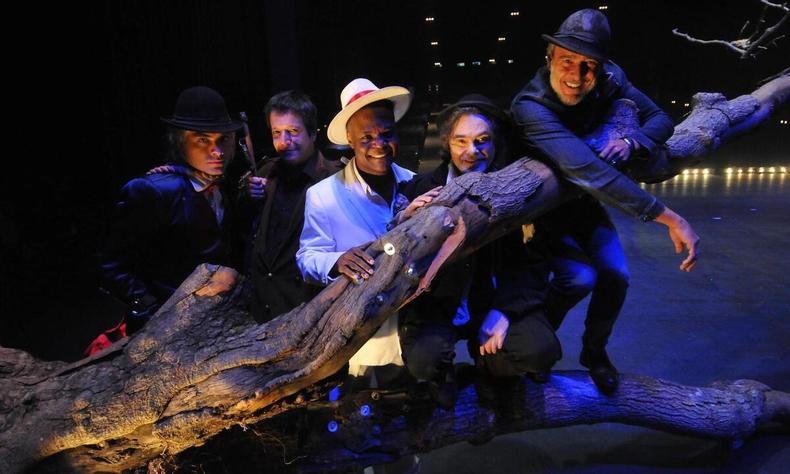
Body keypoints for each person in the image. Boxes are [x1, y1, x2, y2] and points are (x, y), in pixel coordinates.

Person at [510, 9, 700, 394]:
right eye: (567, 61)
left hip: (583, 203)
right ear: (549, 56)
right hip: (541, 212)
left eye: (588, 66)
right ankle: (537, 350)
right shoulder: (530, 105)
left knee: (617, 276)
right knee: (579, 278)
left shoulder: (611, 80)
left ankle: (594, 353)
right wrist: (669, 218)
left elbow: (661, 118)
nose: (577, 78)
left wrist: (633, 142)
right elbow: (586, 169)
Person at [397, 94, 561, 408]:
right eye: (461, 141)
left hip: (492, 300)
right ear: (447, 143)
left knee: (540, 351)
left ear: (495, 142)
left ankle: (492, 369)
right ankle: (444, 374)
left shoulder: (520, 187)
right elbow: (401, 259)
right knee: (424, 361)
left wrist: (505, 311)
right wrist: (409, 223)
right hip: (440, 306)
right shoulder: (421, 189)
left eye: (482, 140)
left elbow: (535, 261)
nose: (472, 151)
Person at [93, 86, 243, 351]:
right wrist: (150, 306)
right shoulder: (152, 190)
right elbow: (111, 265)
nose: (217, 151)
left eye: (224, 140)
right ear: (179, 141)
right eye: (203, 140)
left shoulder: (223, 187)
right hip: (165, 333)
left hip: (218, 325)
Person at [296, 77, 417, 386]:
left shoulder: (415, 183)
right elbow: (307, 257)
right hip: (357, 334)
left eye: (386, 133)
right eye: (367, 136)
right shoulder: (323, 195)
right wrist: (337, 262)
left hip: (413, 326)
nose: (379, 144)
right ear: (349, 139)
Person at [244, 91, 343, 322]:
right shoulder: (265, 174)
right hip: (263, 310)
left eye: (293, 132)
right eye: (276, 133)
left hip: (309, 309)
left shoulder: (334, 180)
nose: (284, 142)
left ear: (312, 133)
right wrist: (247, 199)